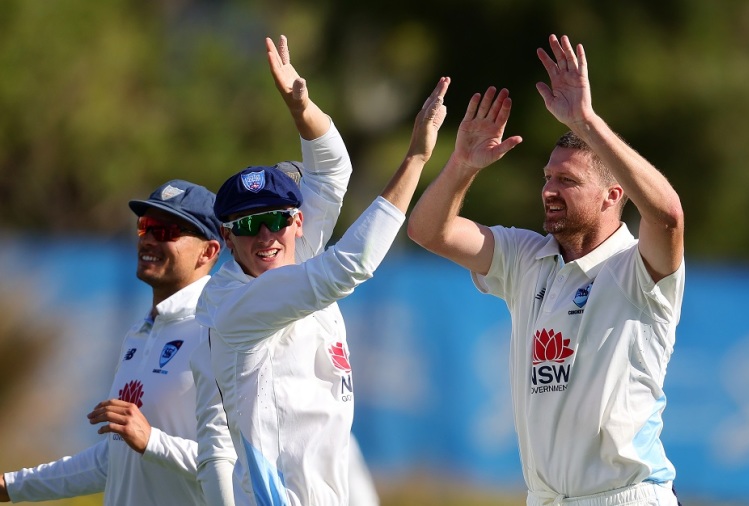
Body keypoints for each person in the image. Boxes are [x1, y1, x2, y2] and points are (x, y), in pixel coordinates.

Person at [408, 34, 685, 506]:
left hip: (625, 497)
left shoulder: (639, 269)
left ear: (612, 196)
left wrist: (587, 122)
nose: (549, 190)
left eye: (567, 180)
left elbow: (668, 216)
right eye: (547, 178)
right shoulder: (527, 257)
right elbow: (428, 231)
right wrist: (461, 165)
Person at [194, 29, 449, 503]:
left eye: (274, 220)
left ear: (297, 221)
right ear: (225, 237)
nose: (266, 237)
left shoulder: (292, 252)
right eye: (248, 227)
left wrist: (301, 110)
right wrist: (415, 157)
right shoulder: (236, 302)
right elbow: (348, 267)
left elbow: (332, 171)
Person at [0, 179, 225, 505]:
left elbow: (237, 466)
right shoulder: (139, 332)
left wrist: (152, 441)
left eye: (165, 232)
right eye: (145, 227)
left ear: (209, 251)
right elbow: (114, 460)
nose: (148, 239)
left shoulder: (219, 333)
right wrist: (9, 486)